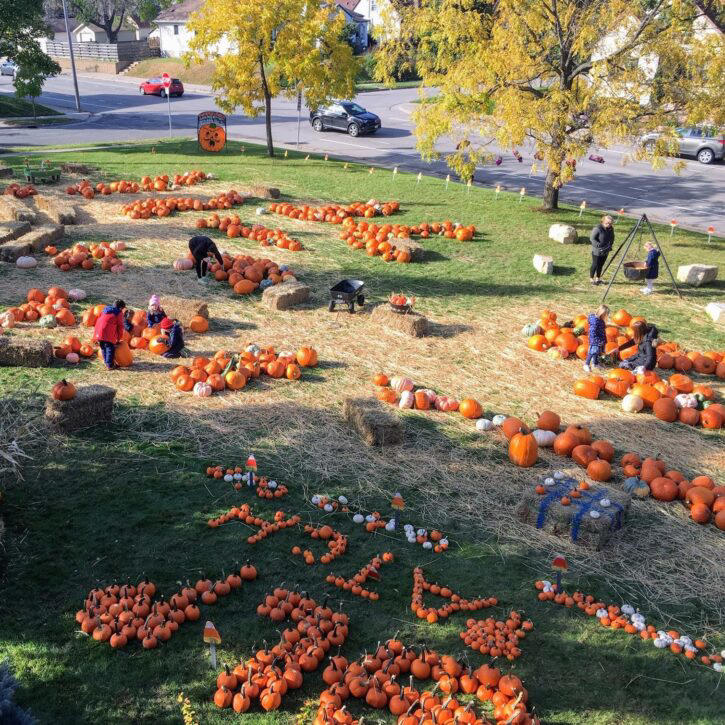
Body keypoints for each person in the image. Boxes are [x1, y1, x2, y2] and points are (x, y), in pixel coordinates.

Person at [94, 299, 127, 370]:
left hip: (98, 331)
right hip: (107, 333)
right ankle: (110, 365)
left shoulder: (104, 310)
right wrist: (119, 338)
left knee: (103, 347)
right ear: (121, 308)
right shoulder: (118, 313)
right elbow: (120, 326)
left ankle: (106, 362)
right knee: (110, 348)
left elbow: (99, 320)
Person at [589, 215, 614, 285]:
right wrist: (598, 245)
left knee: (601, 265)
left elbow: (612, 237)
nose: (609, 224)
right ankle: (591, 278)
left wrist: (610, 245)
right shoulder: (597, 228)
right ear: (603, 221)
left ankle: (598, 278)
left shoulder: (611, 229)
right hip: (597, 250)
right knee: (595, 264)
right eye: (607, 223)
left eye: (610, 223)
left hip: (606, 250)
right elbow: (592, 239)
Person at [584, 304, 609, 372]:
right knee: (592, 352)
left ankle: (595, 363)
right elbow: (592, 331)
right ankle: (586, 364)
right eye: (605, 315)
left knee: (597, 352)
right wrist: (595, 339)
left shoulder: (600, 320)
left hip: (600, 339)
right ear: (602, 313)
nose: (606, 316)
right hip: (595, 339)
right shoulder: (595, 321)